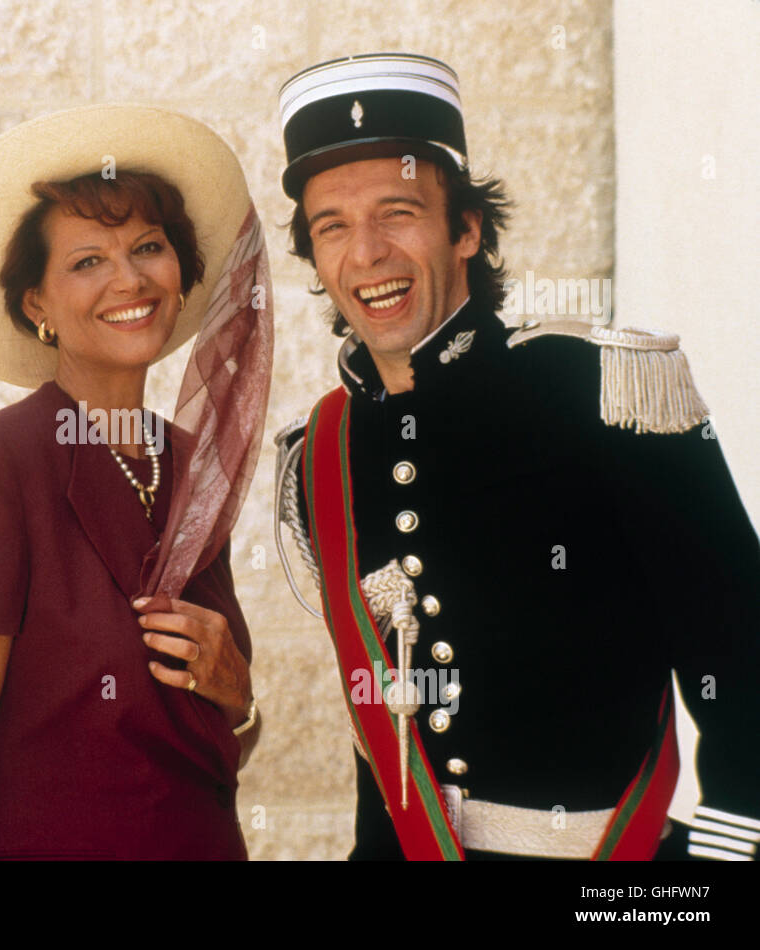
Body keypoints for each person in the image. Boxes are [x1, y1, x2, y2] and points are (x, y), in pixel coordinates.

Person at [273, 53, 760, 860]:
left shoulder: (603, 392)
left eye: (398, 212)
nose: (366, 253)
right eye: (332, 227)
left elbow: (746, 671)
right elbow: (383, 754)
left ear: (466, 228)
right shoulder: (318, 454)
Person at [0, 105, 272, 860]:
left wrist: (240, 702)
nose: (129, 278)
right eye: (87, 261)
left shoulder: (192, 464)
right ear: (36, 304)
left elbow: (213, 734)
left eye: (149, 247)